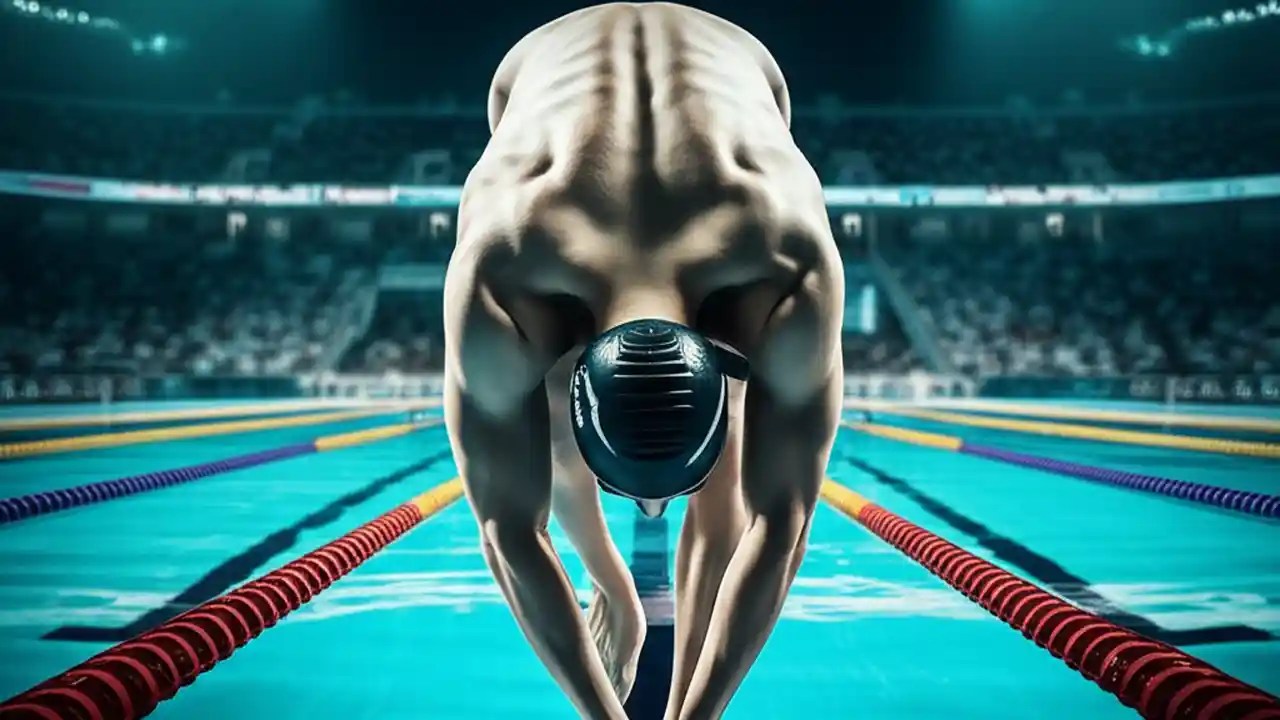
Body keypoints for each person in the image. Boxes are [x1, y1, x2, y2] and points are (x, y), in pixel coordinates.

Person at [442, 3, 843, 718]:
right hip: (534, 75)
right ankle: (624, 594)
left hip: (747, 74)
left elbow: (781, 522)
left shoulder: (790, 266)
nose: (652, 512)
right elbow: (510, 529)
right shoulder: (500, 274)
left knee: (735, 460)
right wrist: (611, 600)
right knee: (545, 402)